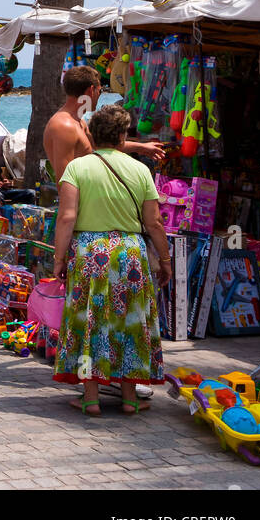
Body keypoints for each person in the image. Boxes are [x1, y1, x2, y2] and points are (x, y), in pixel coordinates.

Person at [52, 104, 170, 416]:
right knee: (129, 321)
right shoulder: (140, 170)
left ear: (92, 133)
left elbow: (66, 218)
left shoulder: (77, 169)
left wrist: (59, 259)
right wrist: (166, 260)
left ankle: (90, 398)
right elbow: (155, 223)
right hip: (130, 252)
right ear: (121, 135)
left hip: (90, 252)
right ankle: (130, 399)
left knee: (90, 320)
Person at [43, 65, 164, 183]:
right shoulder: (64, 127)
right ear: (91, 90)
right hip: (80, 202)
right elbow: (64, 181)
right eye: (99, 91)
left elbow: (104, 147)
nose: (99, 95)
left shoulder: (78, 122)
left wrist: (142, 147)